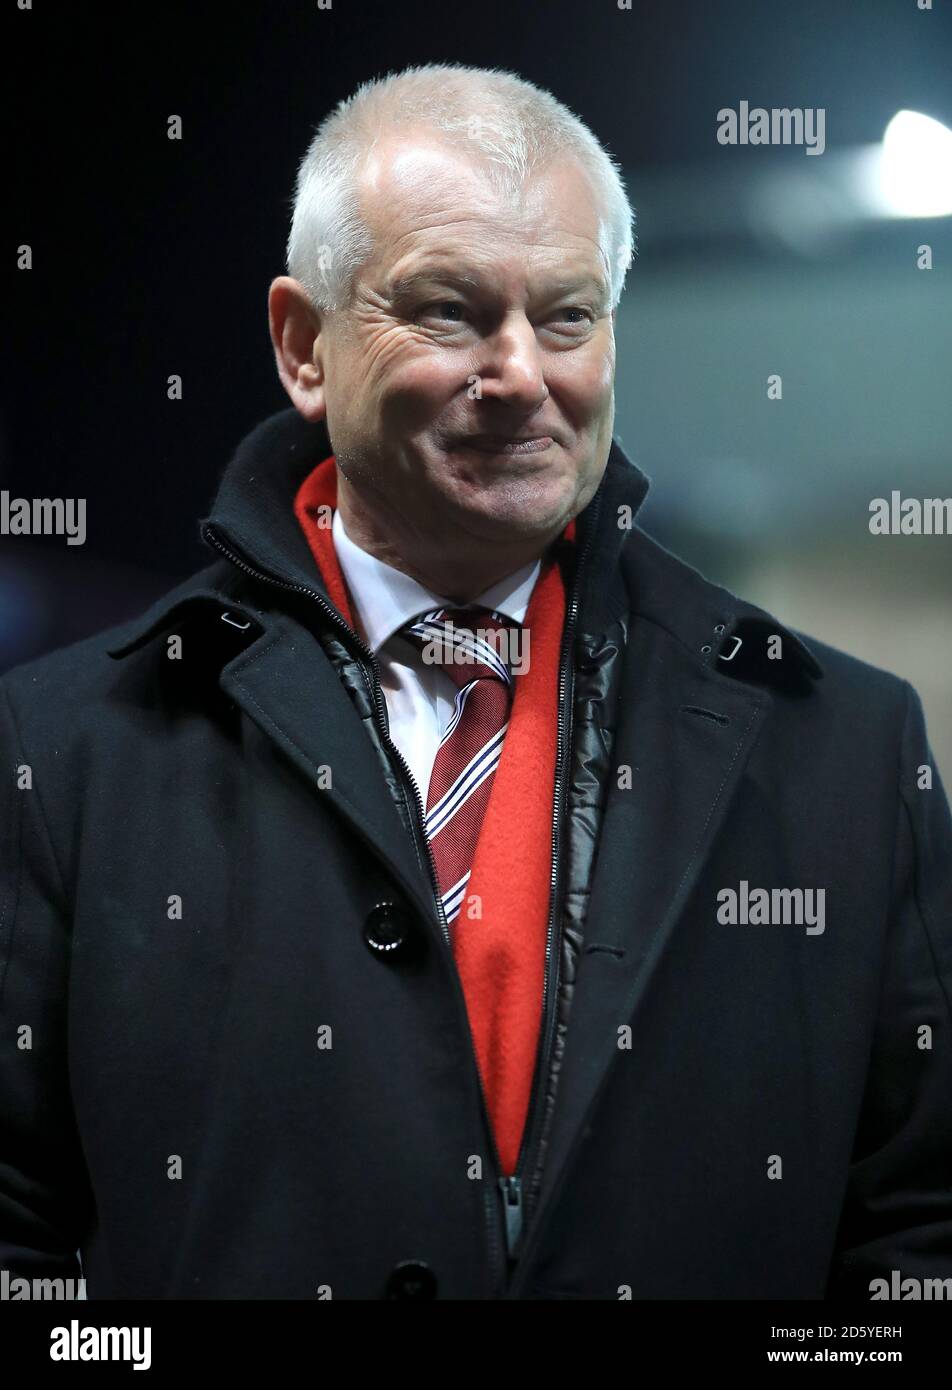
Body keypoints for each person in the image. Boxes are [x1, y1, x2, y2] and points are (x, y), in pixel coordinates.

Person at [1, 63, 950, 1301]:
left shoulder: (842, 746)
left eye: (566, 317)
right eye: (449, 312)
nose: (519, 375)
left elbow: (921, 1226)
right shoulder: (65, 752)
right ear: (303, 345)